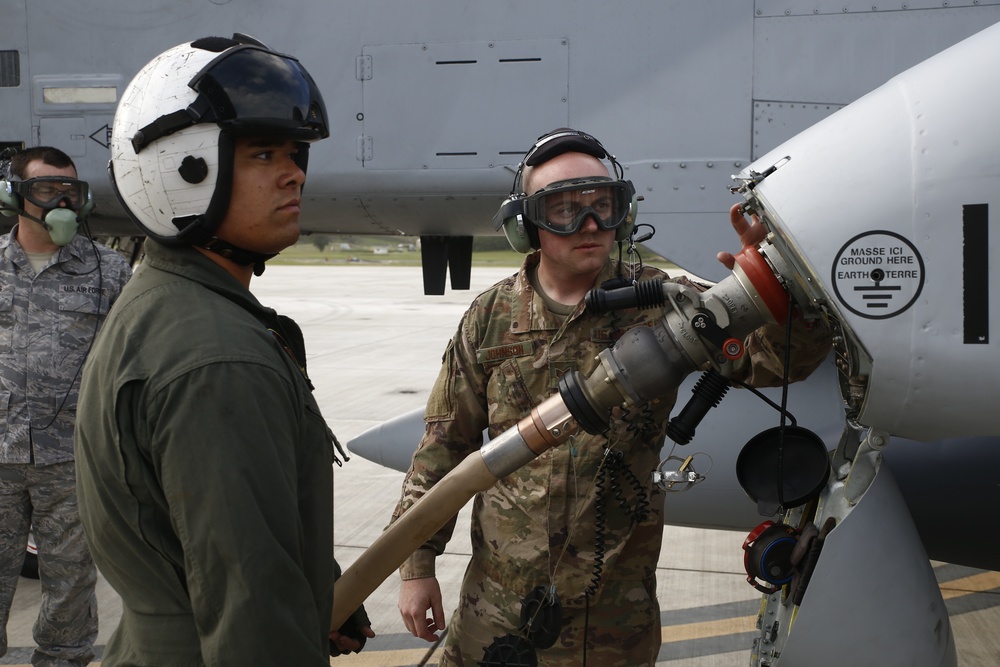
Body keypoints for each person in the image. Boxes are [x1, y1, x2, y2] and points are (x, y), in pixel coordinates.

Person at [391, 128, 832, 665]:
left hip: (616, 619)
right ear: (527, 223)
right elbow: (443, 448)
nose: (591, 225)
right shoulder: (490, 319)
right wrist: (417, 569)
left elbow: (776, 362)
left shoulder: (663, 303)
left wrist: (787, 286)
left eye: (604, 205)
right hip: (498, 610)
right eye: (564, 209)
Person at [73, 35, 372, 665]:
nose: (294, 172)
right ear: (177, 168)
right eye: (264, 153)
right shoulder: (218, 360)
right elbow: (249, 606)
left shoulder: (166, 301)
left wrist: (314, 586)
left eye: (295, 153)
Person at [0, 145, 132, 667]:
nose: (60, 198)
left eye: (69, 189)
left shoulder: (111, 270)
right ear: (15, 195)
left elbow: (129, 359)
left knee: (71, 588)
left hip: (72, 462)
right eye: (45, 187)